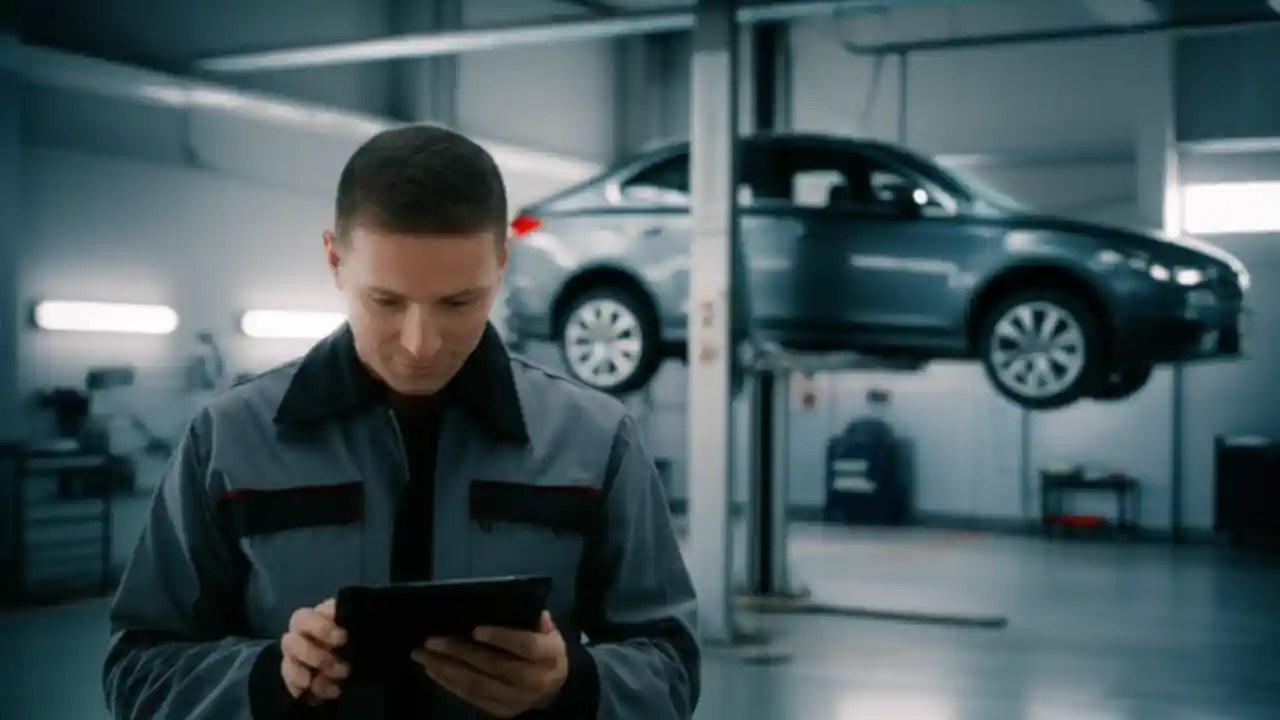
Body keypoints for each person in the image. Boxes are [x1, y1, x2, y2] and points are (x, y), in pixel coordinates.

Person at [102, 124, 700, 719]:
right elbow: (138, 668)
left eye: (459, 302)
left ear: (502, 263)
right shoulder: (227, 439)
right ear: (334, 260)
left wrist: (573, 683)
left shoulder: (597, 441)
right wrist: (267, 678)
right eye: (385, 301)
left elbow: (671, 665)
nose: (420, 344)